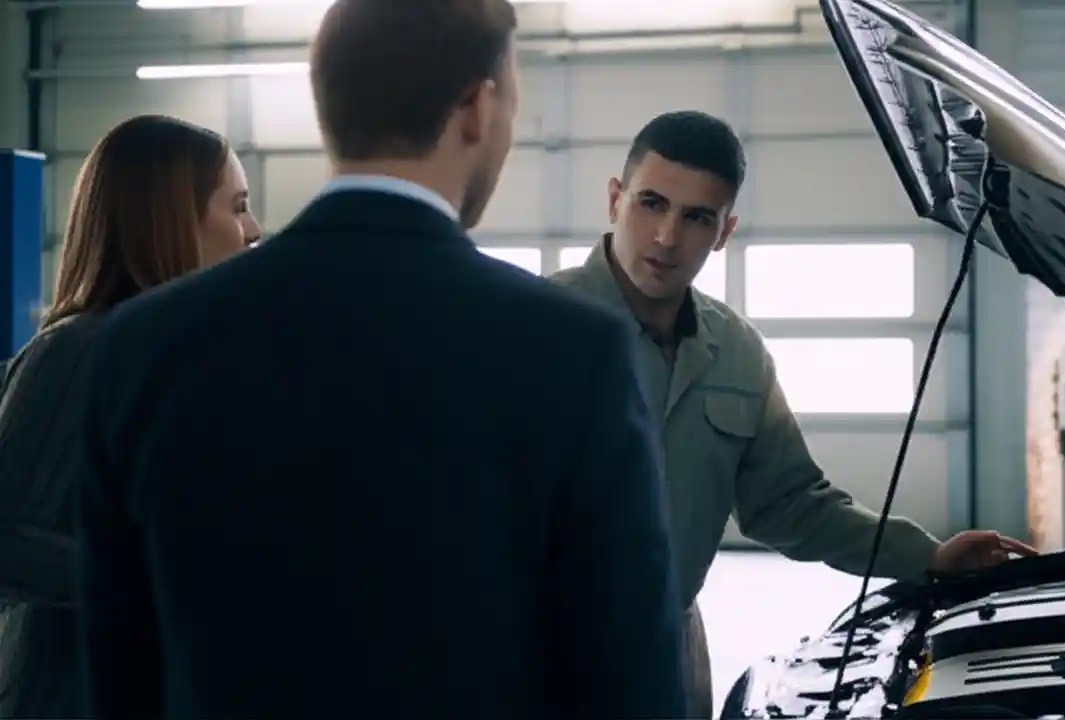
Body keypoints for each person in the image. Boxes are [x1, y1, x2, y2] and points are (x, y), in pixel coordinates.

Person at [73, 1, 687, 719]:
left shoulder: (144, 345)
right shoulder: (574, 353)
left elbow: (119, 678)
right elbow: (629, 686)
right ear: (476, 108)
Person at [548, 110, 1039, 717]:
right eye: (651, 204)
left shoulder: (736, 353)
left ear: (724, 231)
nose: (667, 237)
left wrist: (928, 556)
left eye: (696, 217)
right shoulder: (533, 330)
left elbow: (791, 504)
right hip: (540, 652)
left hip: (669, 652)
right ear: (615, 200)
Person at [0, 114, 261, 718]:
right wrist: (156, 572)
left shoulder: (189, 358)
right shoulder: (78, 350)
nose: (252, 230)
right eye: (237, 206)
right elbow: (6, 534)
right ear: (172, 217)